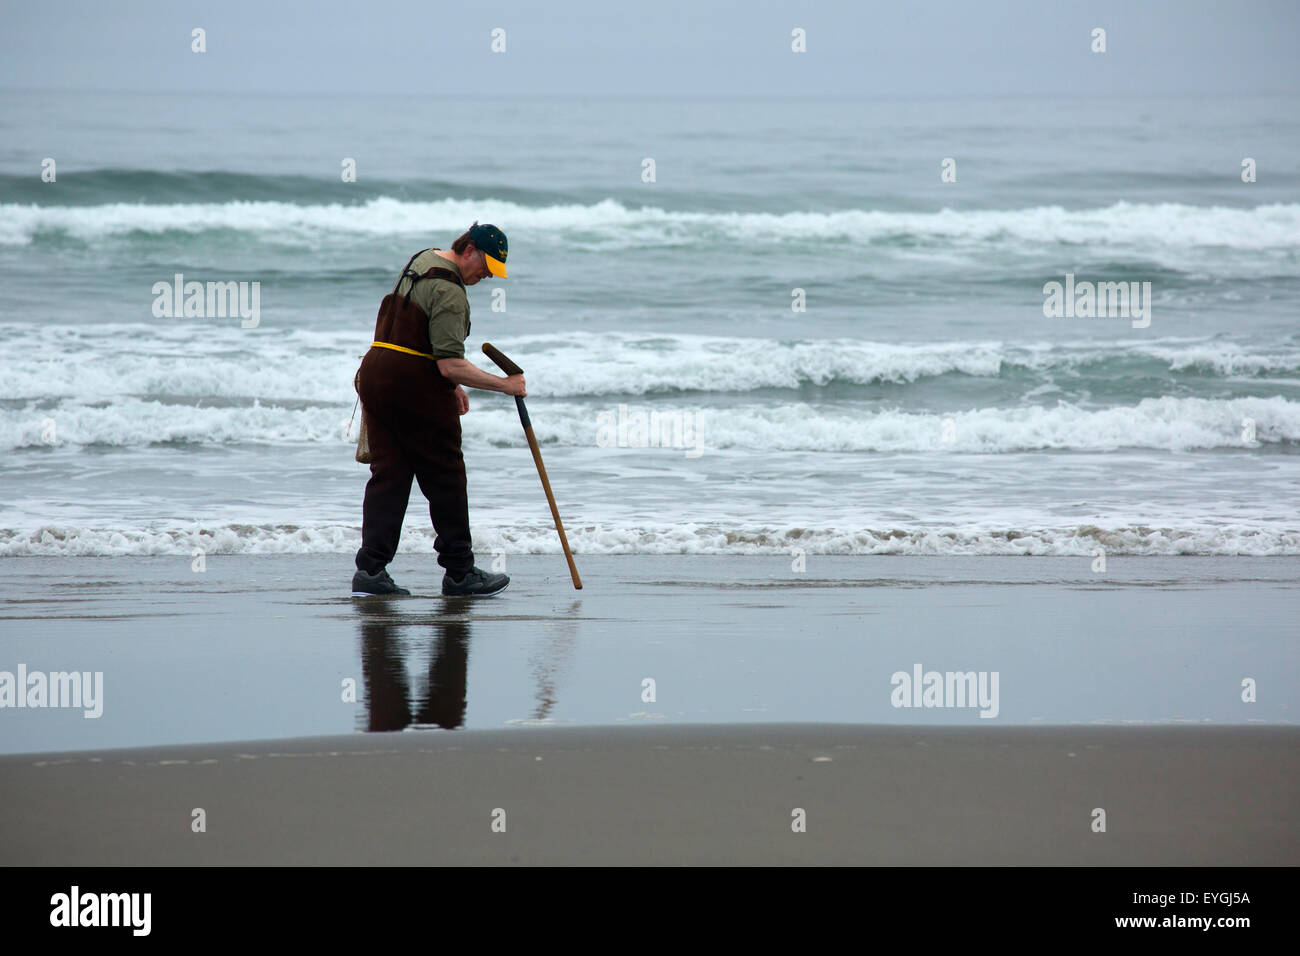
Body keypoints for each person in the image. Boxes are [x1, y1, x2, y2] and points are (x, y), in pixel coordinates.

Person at [351, 222, 524, 597]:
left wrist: (455, 383)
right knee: (446, 475)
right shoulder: (450, 292)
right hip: (414, 388)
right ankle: (461, 573)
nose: (486, 276)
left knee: (390, 475)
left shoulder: (422, 259)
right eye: (486, 266)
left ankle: (370, 570)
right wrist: (504, 384)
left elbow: (415, 339)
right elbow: (448, 363)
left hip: (378, 376)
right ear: (469, 250)